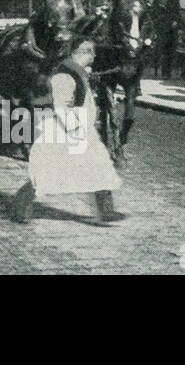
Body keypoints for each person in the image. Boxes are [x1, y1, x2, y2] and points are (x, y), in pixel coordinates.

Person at [11, 29, 122, 224]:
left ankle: (106, 211)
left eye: (93, 50)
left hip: (81, 129)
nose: (93, 55)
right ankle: (21, 206)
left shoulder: (77, 71)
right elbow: (61, 106)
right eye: (89, 50)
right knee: (47, 170)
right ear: (77, 52)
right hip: (64, 131)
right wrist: (74, 129)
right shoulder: (64, 74)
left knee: (100, 166)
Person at [95, 0, 155, 158]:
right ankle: (109, 133)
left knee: (131, 104)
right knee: (107, 99)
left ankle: (124, 133)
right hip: (112, 58)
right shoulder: (115, 17)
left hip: (133, 57)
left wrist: (146, 42)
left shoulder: (143, 15)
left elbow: (148, 29)